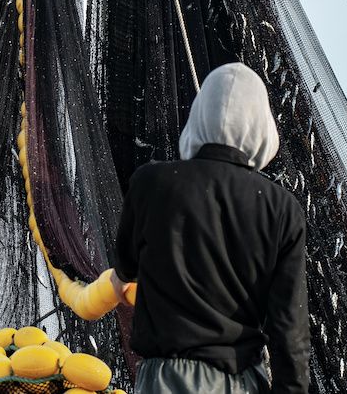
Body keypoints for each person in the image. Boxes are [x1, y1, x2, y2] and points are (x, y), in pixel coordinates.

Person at [112, 62, 308, 394]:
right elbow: (288, 330)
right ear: (262, 128)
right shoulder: (281, 209)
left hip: (163, 382)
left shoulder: (151, 183)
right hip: (238, 382)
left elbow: (125, 270)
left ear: (199, 115)